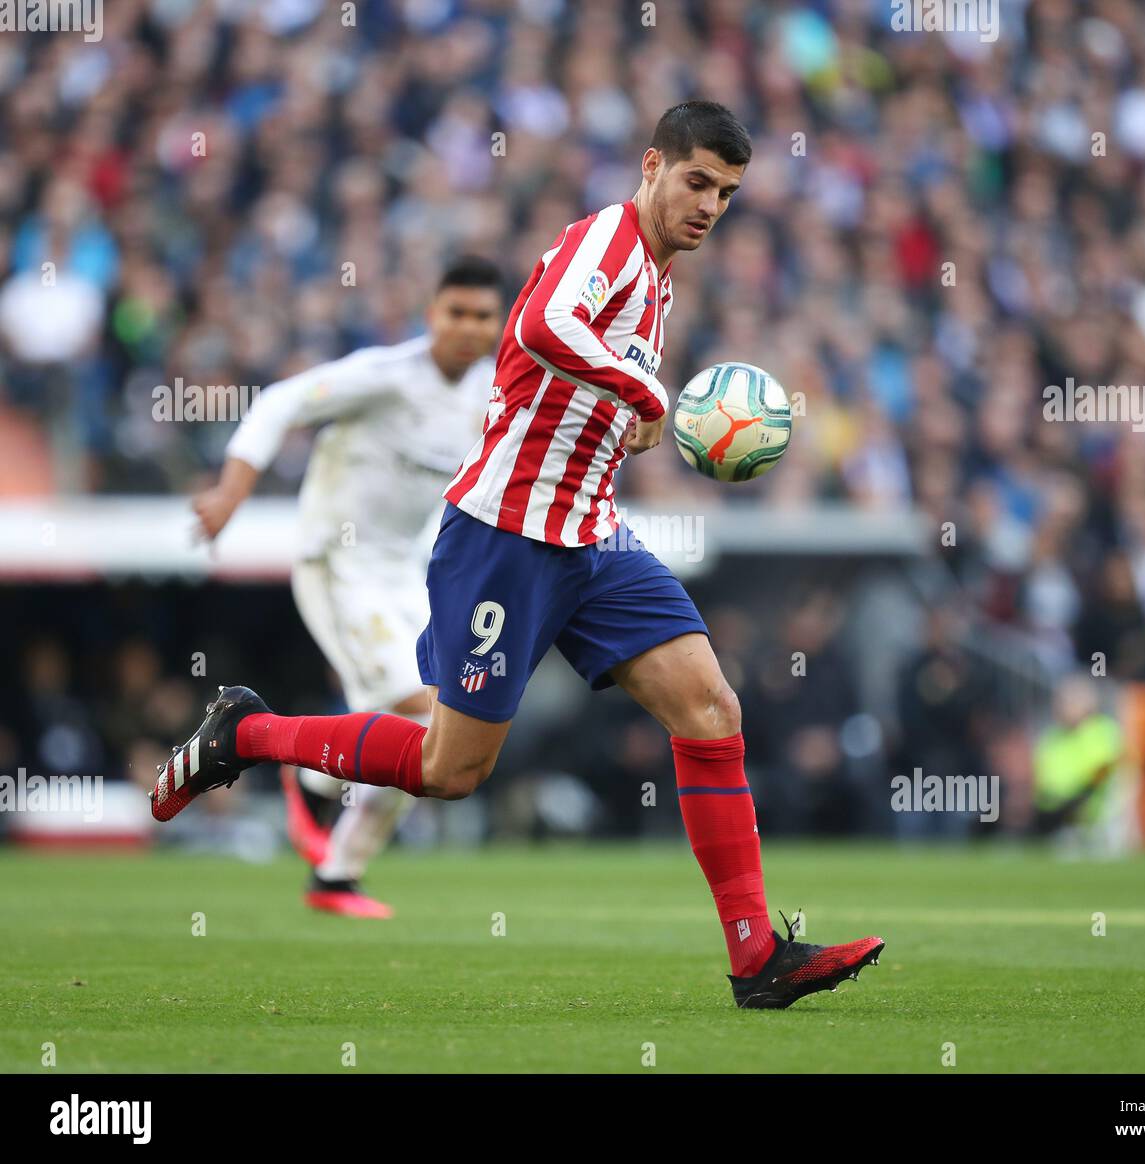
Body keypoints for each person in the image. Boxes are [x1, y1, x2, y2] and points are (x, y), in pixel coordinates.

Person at [153, 101, 884, 1009]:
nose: (709, 205)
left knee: (710, 710)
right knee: (449, 770)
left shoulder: (655, 277)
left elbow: (572, 383)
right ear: (652, 165)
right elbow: (538, 327)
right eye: (697, 182)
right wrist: (642, 389)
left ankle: (756, 958)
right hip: (506, 538)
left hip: (592, 535)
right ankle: (247, 733)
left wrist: (632, 423)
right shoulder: (606, 243)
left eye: (727, 194)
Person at [190, 257, 505, 916]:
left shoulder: (489, 396)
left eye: (483, 316)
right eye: (457, 313)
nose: (470, 328)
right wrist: (230, 492)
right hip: (336, 561)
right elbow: (281, 402)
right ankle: (305, 780)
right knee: (422, 712)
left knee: (436, 729)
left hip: (404, 574)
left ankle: (335, 870)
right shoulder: (385, 377)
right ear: (432, 316)